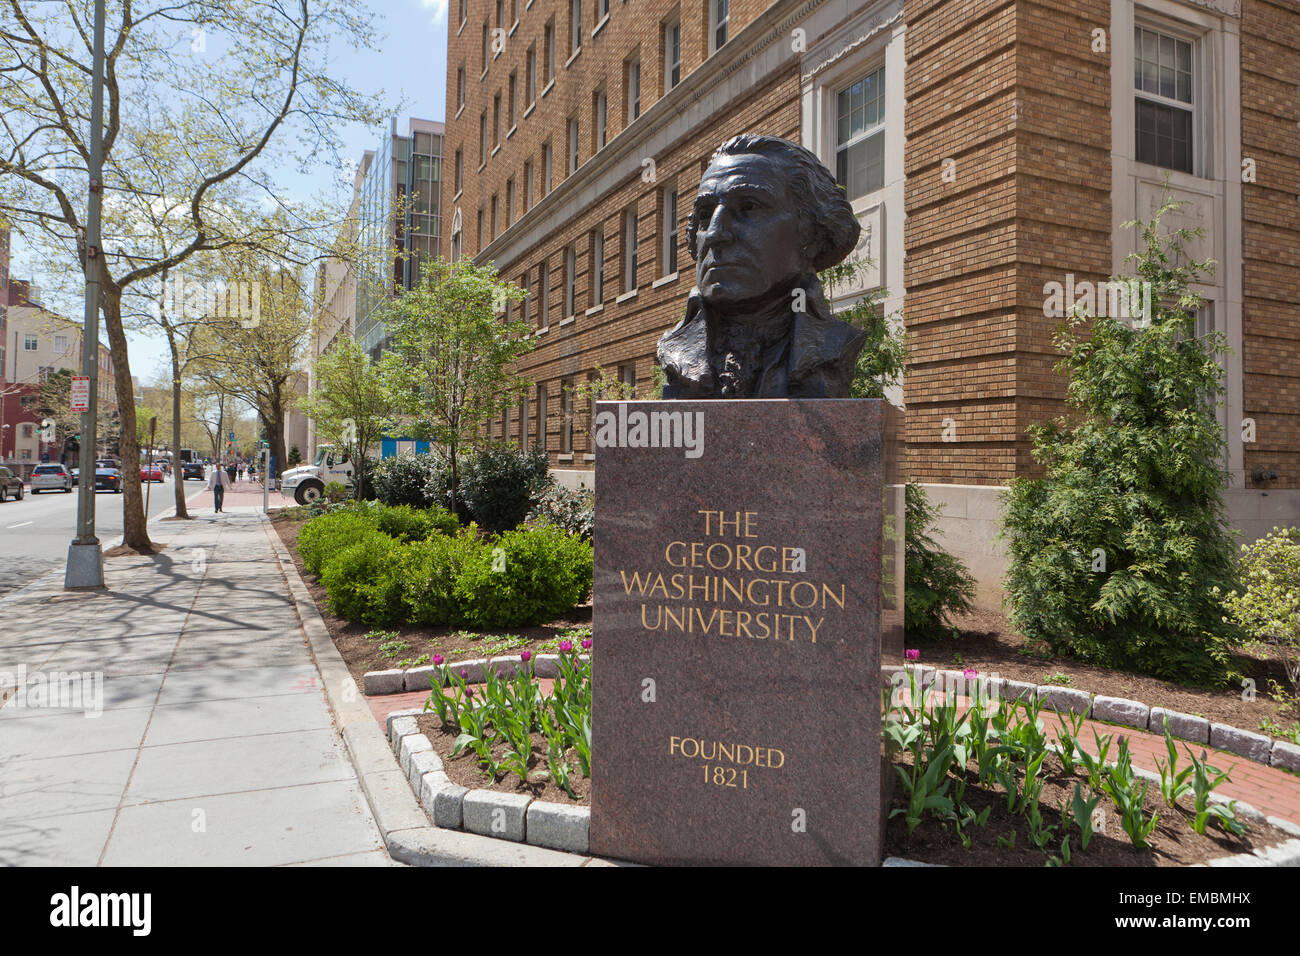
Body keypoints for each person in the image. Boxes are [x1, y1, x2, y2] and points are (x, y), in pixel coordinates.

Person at [656, 134, 866, 399]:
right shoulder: (676, 351)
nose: (714, 234)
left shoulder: (835, 345)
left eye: (749, 207)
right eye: (705, 214)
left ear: (811, 233)